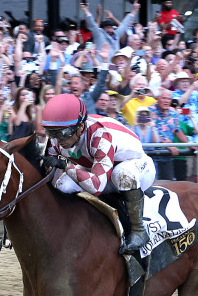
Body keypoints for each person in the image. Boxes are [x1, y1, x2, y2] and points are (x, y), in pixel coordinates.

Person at [39, 93, 156, 254]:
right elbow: (47, 171)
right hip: (100, 169)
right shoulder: (57, 138)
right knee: (62, 184)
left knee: (121, 174)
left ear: (80, 127)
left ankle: (138, 230)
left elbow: (97, 186)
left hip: (137, 167)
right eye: (52, 133)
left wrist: (66, 165)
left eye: (63, 133)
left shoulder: (100, 136)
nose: (58, 140)